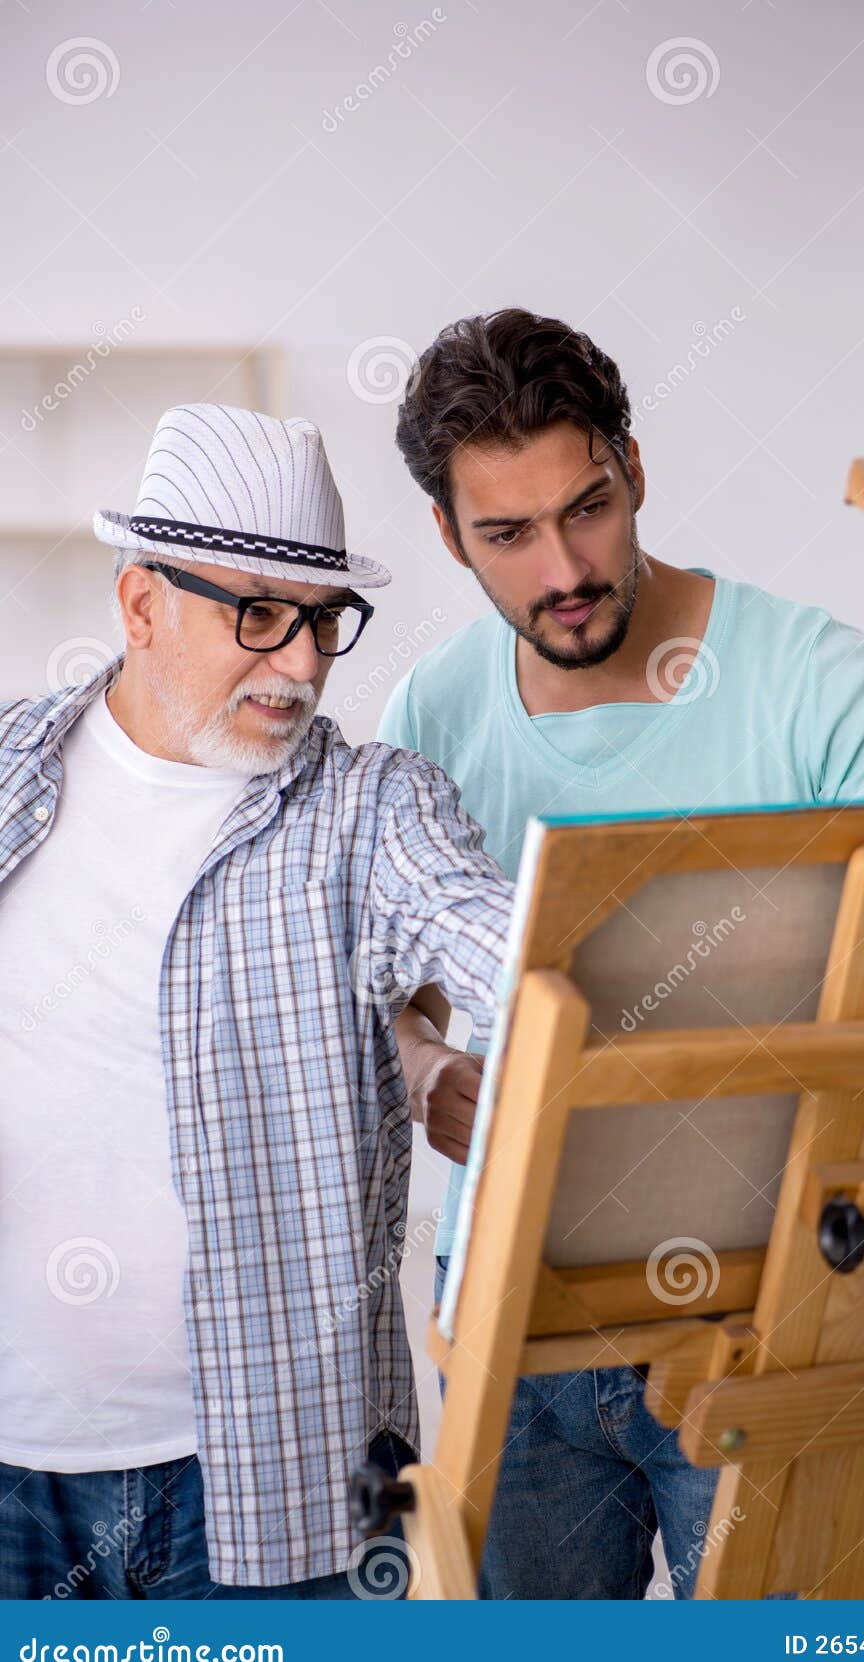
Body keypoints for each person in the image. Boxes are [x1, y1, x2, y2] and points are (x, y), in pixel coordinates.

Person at [378, 308, 864, 1599]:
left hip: (771, 1302)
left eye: (589, 508)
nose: (565, 566)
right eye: (508, 535)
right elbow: (391, 997)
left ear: (634, 469)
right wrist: (417, 1070)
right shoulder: (434, 713)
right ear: (450, 536)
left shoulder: (815, 683)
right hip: (519, 1305)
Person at [0, 403, 513, 1599]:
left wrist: (550, 1028)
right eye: (260, 616)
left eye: (324, 621)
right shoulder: (10, 767)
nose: (301, 665)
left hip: (286, 1475)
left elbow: (495, 937)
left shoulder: (374, 808)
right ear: (140, 605)